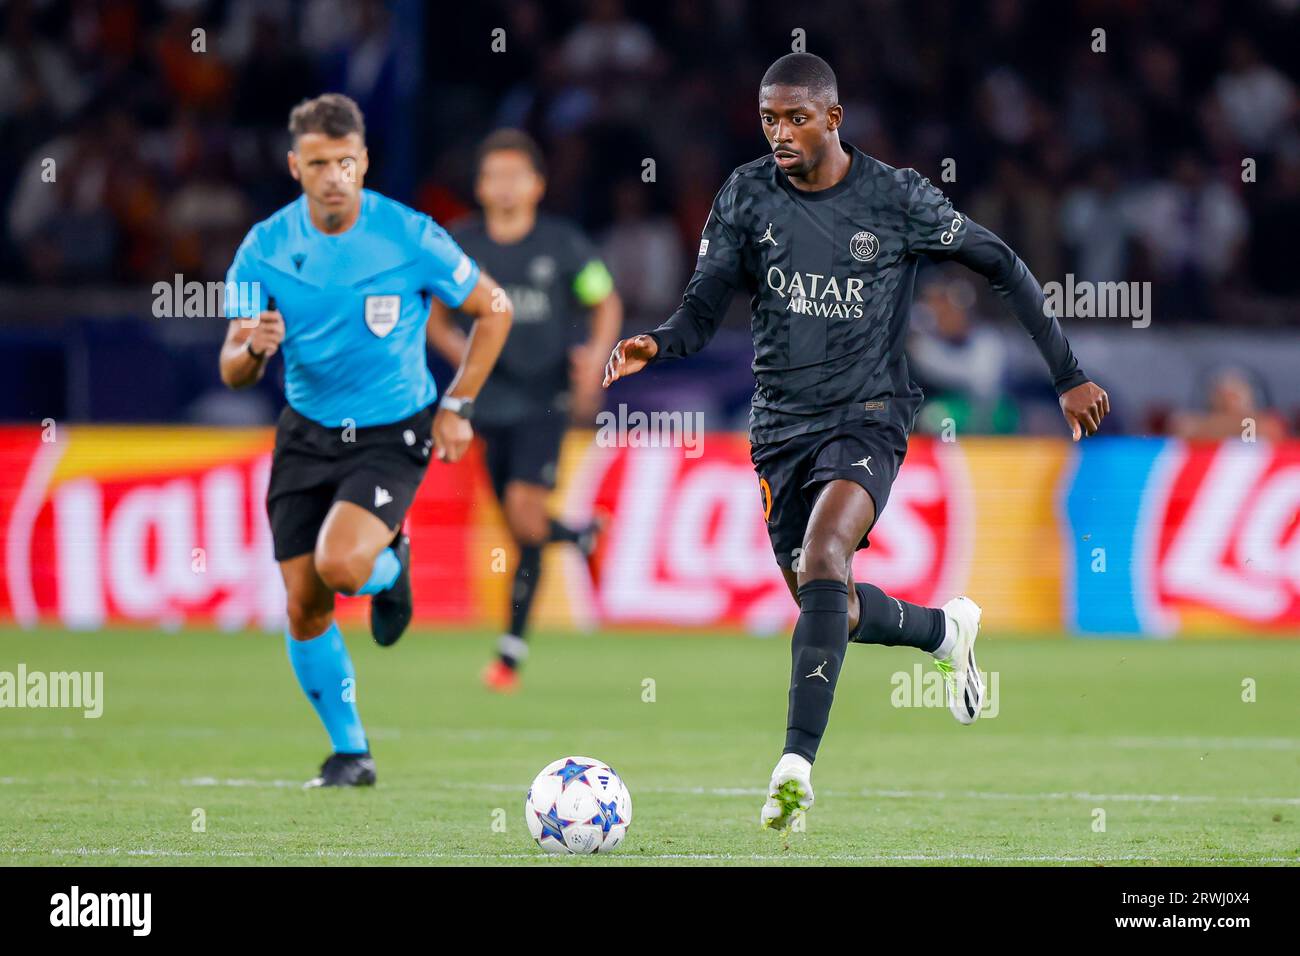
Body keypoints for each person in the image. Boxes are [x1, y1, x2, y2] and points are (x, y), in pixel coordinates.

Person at [602, 54, 1109, 830]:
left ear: (834, 119)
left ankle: (794, 766)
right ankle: (945, 629)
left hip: (868, 414)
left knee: (825, 557)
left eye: (796, 117)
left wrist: (1066, 373)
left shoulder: (895, 196)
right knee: (821, 599)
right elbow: (703, 308)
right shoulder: (745, 195)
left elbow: (1000, 263)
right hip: (778, 428)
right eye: (769, 117)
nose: (780, 132)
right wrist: (659, 343)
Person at [220, 94, 513, 787]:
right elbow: (231, 368)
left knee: (341, 567)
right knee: (303, 604)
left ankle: (388, 567)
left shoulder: (408, 236)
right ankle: (351, 751)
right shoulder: (263, 248)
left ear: (364, 162)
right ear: (296, 166)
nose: (332, 176)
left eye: (345, 162)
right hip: (305, 432)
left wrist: (459, 403)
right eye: (318, 163)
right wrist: (252, 351)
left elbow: (493, 309)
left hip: (392, 430)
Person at [428, 129, 621, 692]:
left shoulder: (561, 244)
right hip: (487, 403)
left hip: (546, 397)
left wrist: (597, 361)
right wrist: (470, 361)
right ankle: (516, 644)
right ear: (480, 186)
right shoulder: (461, 244)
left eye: (517, 176)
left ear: (537, 185)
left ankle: (510, 651)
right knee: (521, 530)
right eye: (495, 176)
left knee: (523, 511)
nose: (506, 187)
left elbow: (604, 297)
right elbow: (435, 319)